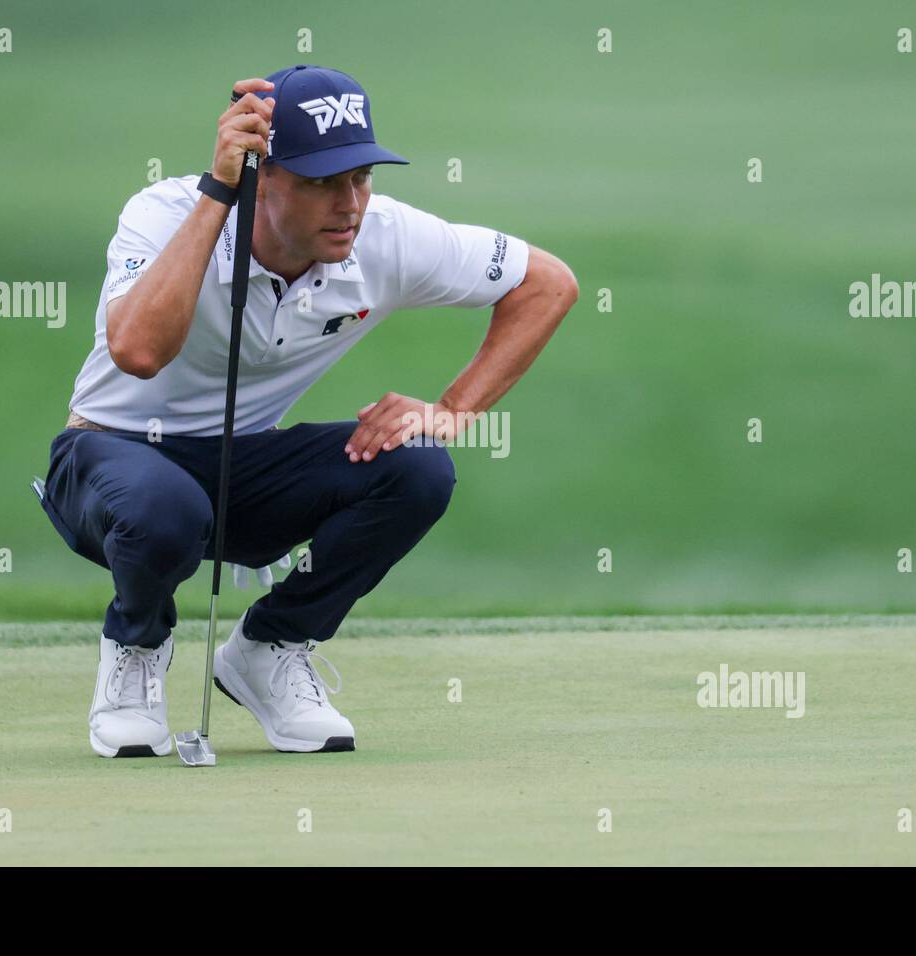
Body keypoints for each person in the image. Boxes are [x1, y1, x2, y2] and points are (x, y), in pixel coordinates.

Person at [38, 64, 578, 758]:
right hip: (109, 461)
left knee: (417, 467)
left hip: (241, 469)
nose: (349, 203)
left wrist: (449, 411)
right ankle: (136, 647)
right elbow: (139, 350)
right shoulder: (166, 213)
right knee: (164, 505)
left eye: (360, 177)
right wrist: (218, 195)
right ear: (262, 177)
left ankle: (269, 647)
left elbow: (548, 284)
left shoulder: (384, 236)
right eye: (324, 182)